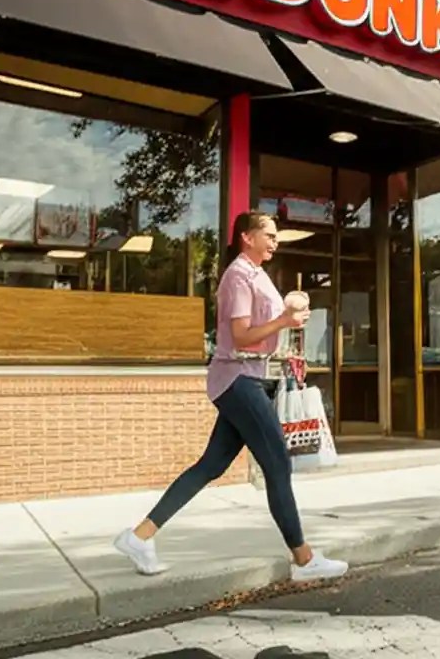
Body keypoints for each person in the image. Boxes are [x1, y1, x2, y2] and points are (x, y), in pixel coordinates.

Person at [112, 210, 349, 582]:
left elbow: (262, 324)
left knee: (211, 465)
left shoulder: (255, 274)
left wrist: (289, 311)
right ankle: (303, 560)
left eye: (276, 236)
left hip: (244, 377)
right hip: (239, 378)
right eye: (268, 234)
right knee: (278, 466)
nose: (274, 241)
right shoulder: (238, 275)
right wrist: (285, 321)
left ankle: (139, 536)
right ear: (247, 237)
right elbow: (240, 336)